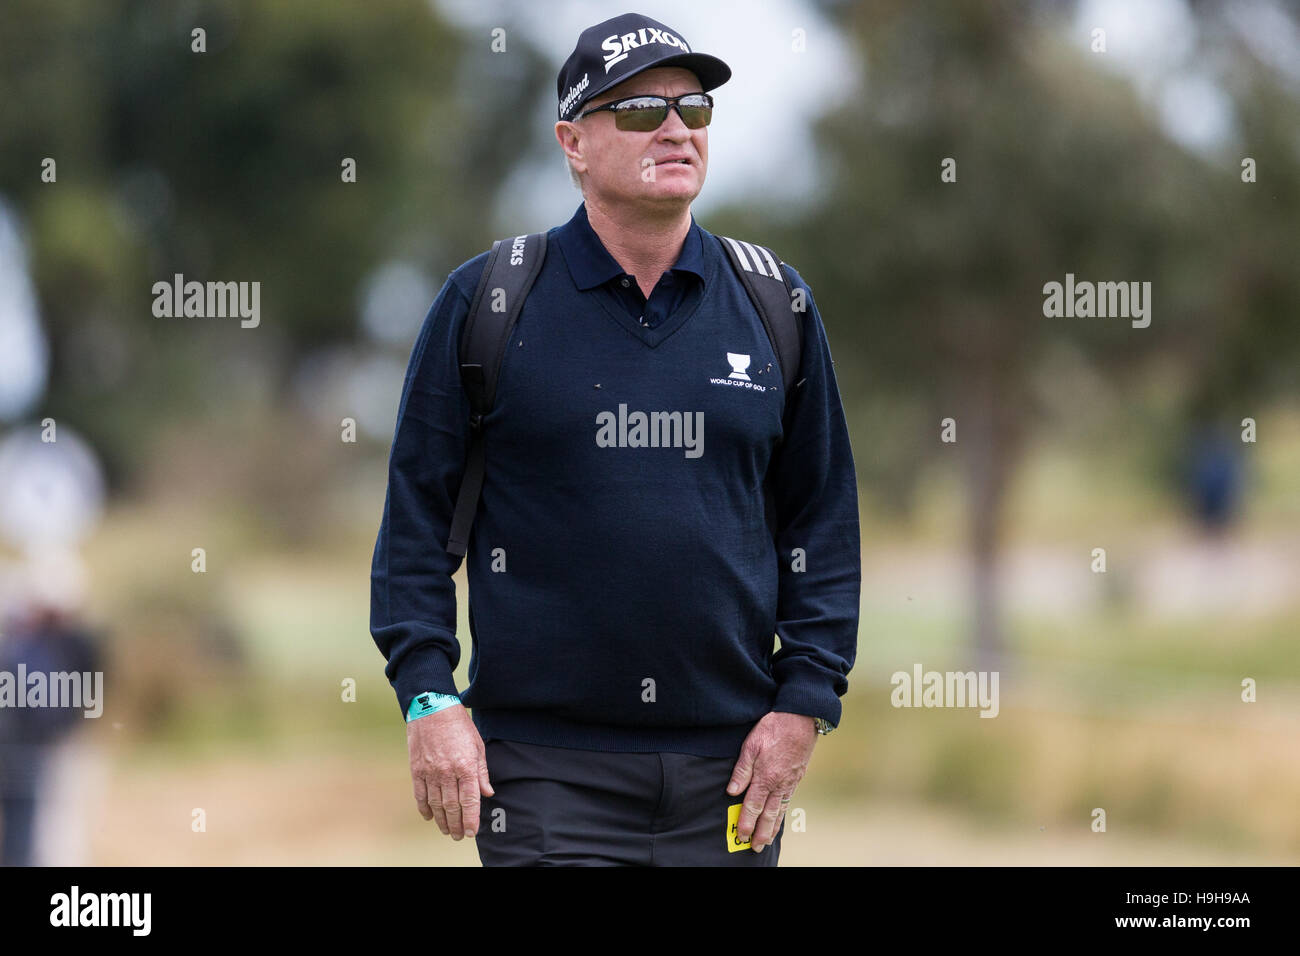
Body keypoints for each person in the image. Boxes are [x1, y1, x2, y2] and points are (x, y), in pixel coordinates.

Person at [370, 11, 860, 866]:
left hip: (731, 775)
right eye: (640, 110)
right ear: (574, 141)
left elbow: (822, 524)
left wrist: (804, 702)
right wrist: (426, 699)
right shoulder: (488, 302)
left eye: (695, 108)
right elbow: (414, 527)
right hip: (542, 777)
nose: (676, 128)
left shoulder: (776, 303)